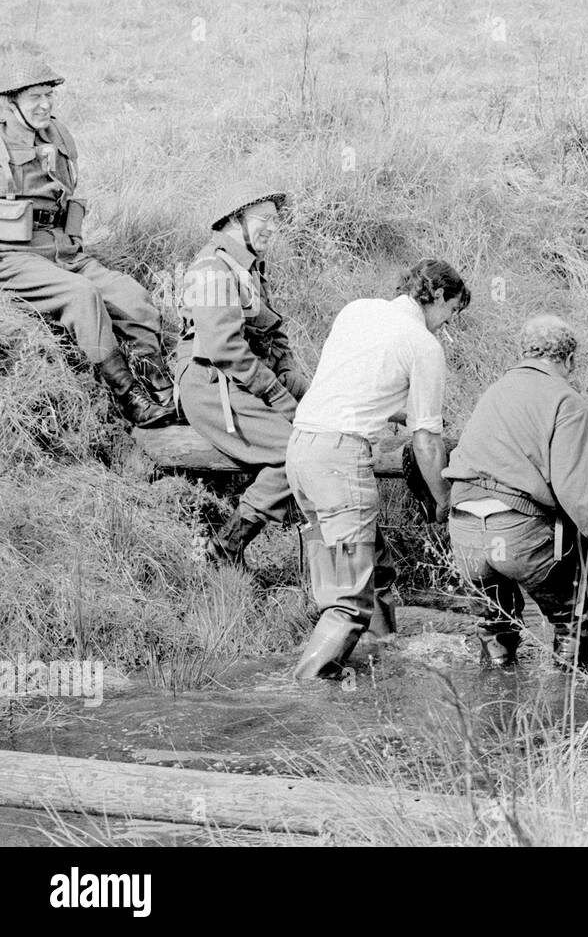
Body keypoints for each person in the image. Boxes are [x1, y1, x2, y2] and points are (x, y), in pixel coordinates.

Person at [289, 259, 468, 680]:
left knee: (370, 568)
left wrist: (409, 415)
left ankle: (381, 657)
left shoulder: (358, 310)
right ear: (439, 296)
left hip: (301, 452)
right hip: (341, 461)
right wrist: (443, 501)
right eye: (452, 312)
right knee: (348, 602)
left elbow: (359, 384)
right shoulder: (423, 345)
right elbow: (426, 441)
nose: (447, 324)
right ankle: (304, 688)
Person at [444, 315, 588, 672]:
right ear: (569, 360)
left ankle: (494, 702)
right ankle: (569, 710)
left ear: (526, 352)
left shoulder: (495, 390)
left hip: (464, 530)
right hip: (516, 529)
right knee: (573, 617)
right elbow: (577, 491)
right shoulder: (566, 401)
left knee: (495, 624)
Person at [0, 53, 171, 426]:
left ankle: (160, 384)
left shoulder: (57, 135)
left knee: (131, 295)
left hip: (63, 247)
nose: (45, 104)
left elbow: (68, 190)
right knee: (82, 295)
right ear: (9, 102)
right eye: (34, 97)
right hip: (12, 255)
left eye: (49, 95)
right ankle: (130, 397)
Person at [177, 180, 309, 566]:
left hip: (240, 380)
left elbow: (274, 337)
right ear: (236, 218)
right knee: (295, 453)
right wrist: (281, 399)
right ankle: (227, 547)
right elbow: (225, 349)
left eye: (276, 220)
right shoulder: (212, 268)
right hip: (209, 383)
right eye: (263, 219)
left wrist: (305, 391)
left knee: (317, 434)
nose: (272, 227)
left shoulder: (248, 269)